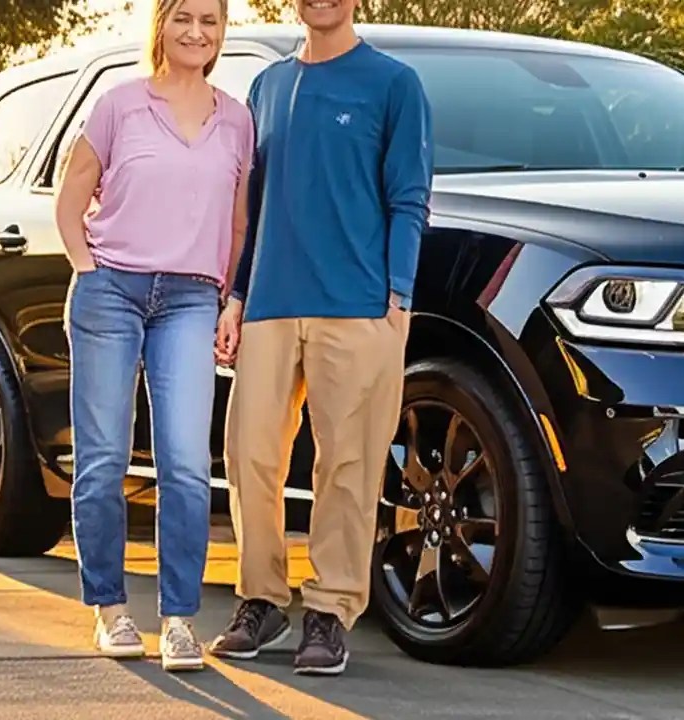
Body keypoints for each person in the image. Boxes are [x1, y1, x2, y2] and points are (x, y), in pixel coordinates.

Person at [207, 0, 433, 675]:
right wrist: (238, 295)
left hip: (359, 305)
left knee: (347, 465)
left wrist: (398, 295)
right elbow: (255, 203)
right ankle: (262, 600)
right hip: (271, 302)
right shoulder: (267, 88)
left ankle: (330, 611)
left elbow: (409, 197)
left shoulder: (394, 85)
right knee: (249, 455)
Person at [54, 0, 252, 672]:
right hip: (111, 290)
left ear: (222, 31)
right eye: (184, 17)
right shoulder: (119, 106)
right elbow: (71, 195)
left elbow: (238, 223)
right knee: (105, 459)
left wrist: (229, 300)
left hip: (192, 300)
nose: (197, 31)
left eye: (210, 20)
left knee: (187, 466)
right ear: (161, 23)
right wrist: (89, 271)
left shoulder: (236, 119)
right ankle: (110, 610)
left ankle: (177, 621)